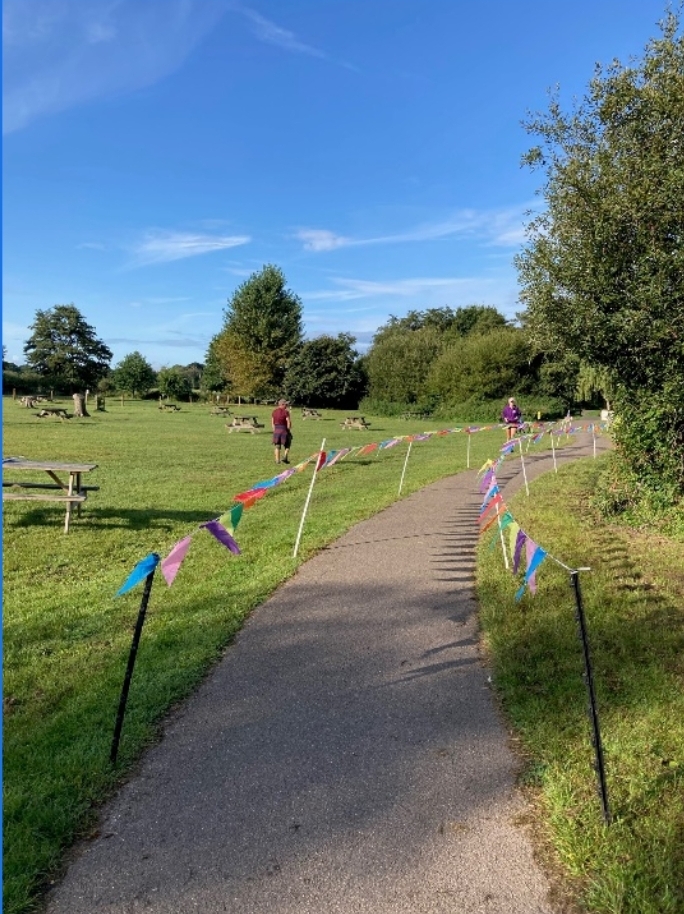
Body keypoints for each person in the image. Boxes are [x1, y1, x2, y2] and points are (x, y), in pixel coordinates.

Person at [271, 398, 292, 464]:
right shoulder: (286, 412)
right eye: (286, 405)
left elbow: (272, 422)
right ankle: (285, 457)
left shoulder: (274, 412)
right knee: (288, 444)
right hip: (284, 429)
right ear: (282, 405)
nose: (287, 406)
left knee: (277, 446)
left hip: (276, 429)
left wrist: (274, 430)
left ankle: (277, 460)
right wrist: (288, 430)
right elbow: (288, 421)